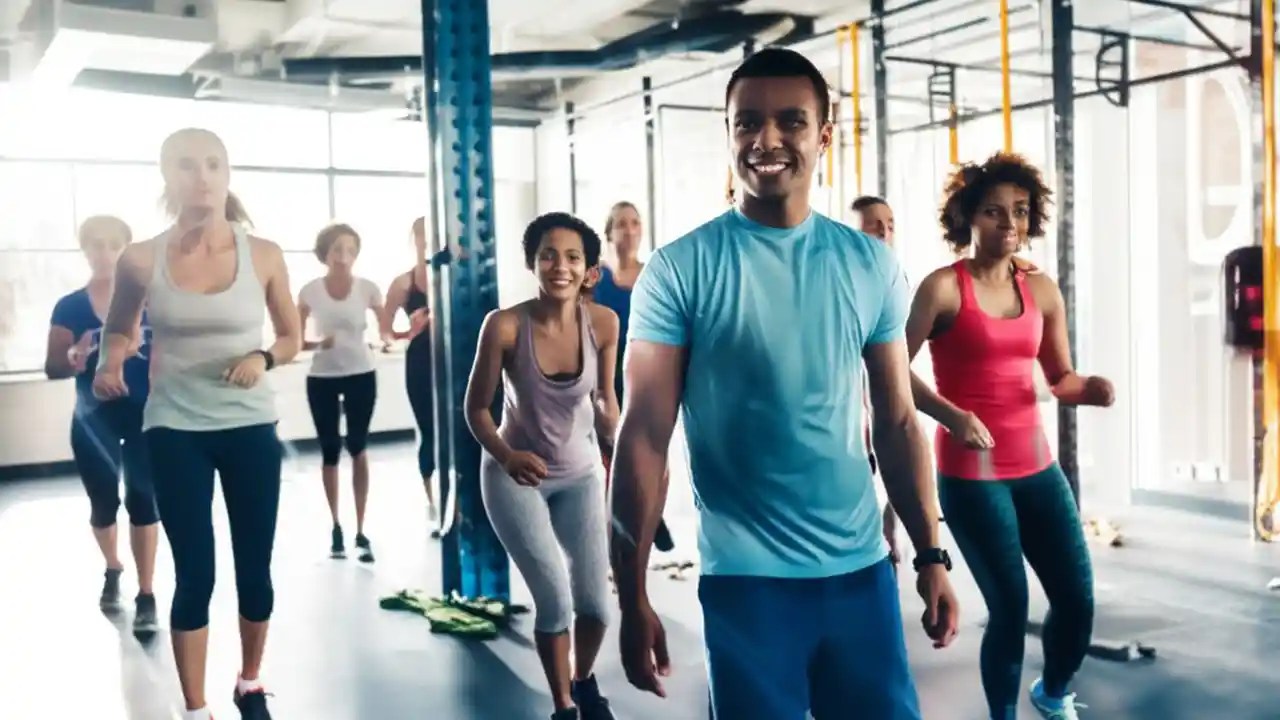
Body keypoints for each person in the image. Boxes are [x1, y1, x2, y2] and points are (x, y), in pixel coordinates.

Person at [609, 47, 960, 720]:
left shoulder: (869, 263)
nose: (766, 140)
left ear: (823, 136)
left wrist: (929, 553)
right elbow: (645, 437)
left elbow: (895, 422)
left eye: (790, 122)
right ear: (729, 132)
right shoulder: (679, 271)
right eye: (748, 123)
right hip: (747, 584)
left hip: (861, 576)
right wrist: (633, 594)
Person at [93, 127, 301, 720]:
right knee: (195, 572)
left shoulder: (263, 254)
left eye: (212, 164)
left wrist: (262, 358)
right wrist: (111, 359)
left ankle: (251, 681)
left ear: (227, 172)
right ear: (168, 177)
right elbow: (119, 327)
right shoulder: (140, 258)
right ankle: (193, 707)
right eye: (187, 166)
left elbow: (291, 337)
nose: (201, 176)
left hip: (250, 427)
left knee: (255, 567)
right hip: (173, 426)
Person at [905, 152, 1113, 720]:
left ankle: (1054, 693)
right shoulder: (942, 289)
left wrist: (1087, 388)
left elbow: (1059, 378)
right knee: (1011, 604)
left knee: (1076, 598)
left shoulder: (1042, 290)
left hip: (1037, 468)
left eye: (1019, 212)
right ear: (969, 217)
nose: (1010, 224)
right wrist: (951, 415)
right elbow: (890, 370)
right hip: (973, 475)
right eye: (995, 212)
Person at [464, 212, 619, 720]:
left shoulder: (603, 323)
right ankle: (564, 708)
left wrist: (619, 439)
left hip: (579, 476)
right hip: (515, 475)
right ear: (532, 263)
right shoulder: (505, 325)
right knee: (554, 599)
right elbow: (476, 409)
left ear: (589, 270)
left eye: (573, 257)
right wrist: (506, 455)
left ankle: (583, 679)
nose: (561, 266)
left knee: (596, 605)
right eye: (549, 255)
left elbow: (605, 399)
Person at [46, 214, 159, 630]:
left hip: (148, 415)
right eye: (96, 244)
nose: (105, 253)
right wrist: (75, 354)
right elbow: (53, 367)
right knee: (103, 504)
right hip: (94, 419)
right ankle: (113, 567)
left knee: (145, 502)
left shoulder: (152, 299)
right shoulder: (71, 306)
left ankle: (146, 593)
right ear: (85, 250)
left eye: (113, 244)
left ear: (125, 249)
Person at [298, 222, 389, 562]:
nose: (344, 256)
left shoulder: (368, 289)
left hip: (361, 373)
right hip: (322, 377)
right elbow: (291, 339)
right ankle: (336, 525)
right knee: (330, 451)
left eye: (350, 249)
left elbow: (387, 332)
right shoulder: (309, 291)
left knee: (359, 446)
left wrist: (411, 331)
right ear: (325, 253)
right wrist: (317, 342)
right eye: (337, 249)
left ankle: (361, 529)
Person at [590, 201, 673, 553]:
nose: (628, 229)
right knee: (615, 457)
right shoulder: (597, 278)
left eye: (634, 222)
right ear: (610, 232)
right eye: (621, 223)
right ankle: (620, 534)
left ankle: (653, 518)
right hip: (607, 377)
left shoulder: (652, 274)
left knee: (653, 453)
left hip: (647, 376)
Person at [384, 217, 450, 535]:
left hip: (455, 362)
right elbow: (384, 331)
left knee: (457, 431)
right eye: (422, 236)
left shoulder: (451, 276)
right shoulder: (403, 283)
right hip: (421, 363)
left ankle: (457, 503)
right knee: (429, 430)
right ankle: (433, 504)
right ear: (414, 240)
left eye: (433, 234)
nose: (428, 241)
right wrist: (410, 331)